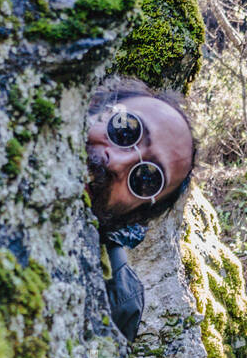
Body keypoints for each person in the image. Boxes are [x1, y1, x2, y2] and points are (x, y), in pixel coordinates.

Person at [84, 77, 197, 342]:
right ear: (93, 102)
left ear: (134, 215)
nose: (118, 164)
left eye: (145, 179)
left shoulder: (116, 304)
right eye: (125, 130)